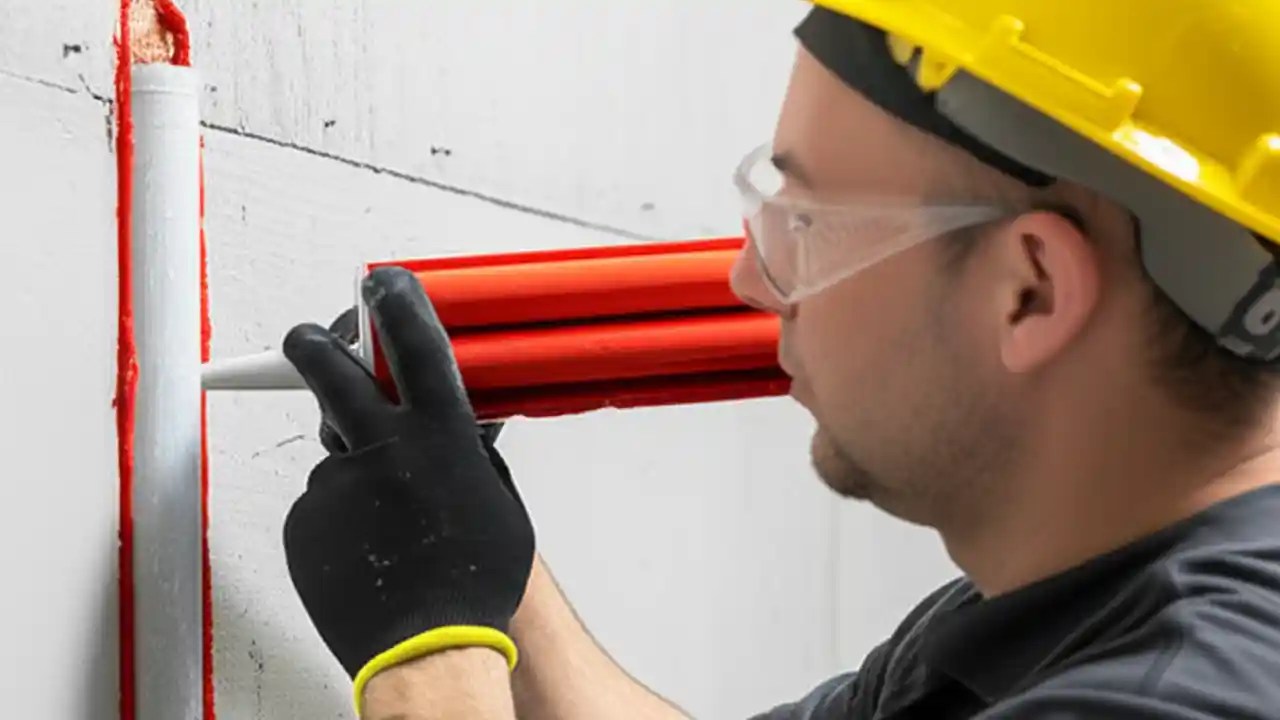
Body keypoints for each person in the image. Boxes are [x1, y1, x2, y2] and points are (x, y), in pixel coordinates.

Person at [278, 2, 1280, 718]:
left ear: (1031, 291)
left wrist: (429, 665)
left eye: (804, 219)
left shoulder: (1181, 696)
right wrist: (473, 558)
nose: (756, 282)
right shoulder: (1066, 605)